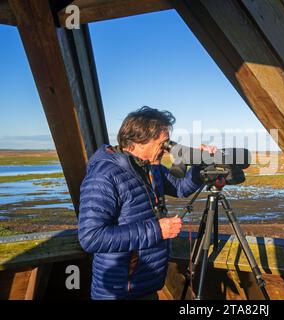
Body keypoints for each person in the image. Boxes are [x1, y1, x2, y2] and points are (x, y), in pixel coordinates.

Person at [78, 106, 216, 300]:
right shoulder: (104, 176)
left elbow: (180, 187)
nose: (167, 149)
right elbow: (91, 237)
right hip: (119, 292)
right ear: (138, 141)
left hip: (146, 284)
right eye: (163, 143)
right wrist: (157, 231)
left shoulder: (150, 167)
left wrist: (199, 163)